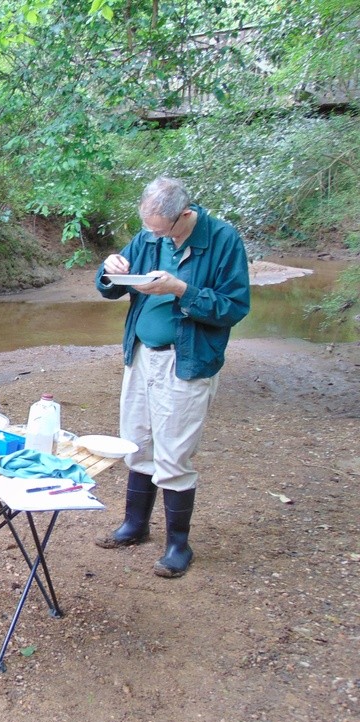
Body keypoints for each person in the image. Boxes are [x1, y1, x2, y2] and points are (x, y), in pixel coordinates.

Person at [94, 176, 250, 578]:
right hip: (142, 355)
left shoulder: (222, 239)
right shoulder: (149, 236)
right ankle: (135, 525)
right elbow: (110, 289)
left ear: (185, 215)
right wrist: (109, 271)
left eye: (160, 230)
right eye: (148, 228)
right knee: (137, 441)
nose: (152, 236)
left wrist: (181, 288)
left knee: (174, 452)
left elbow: (233, 308)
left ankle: (178, 545)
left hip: (187, 358)